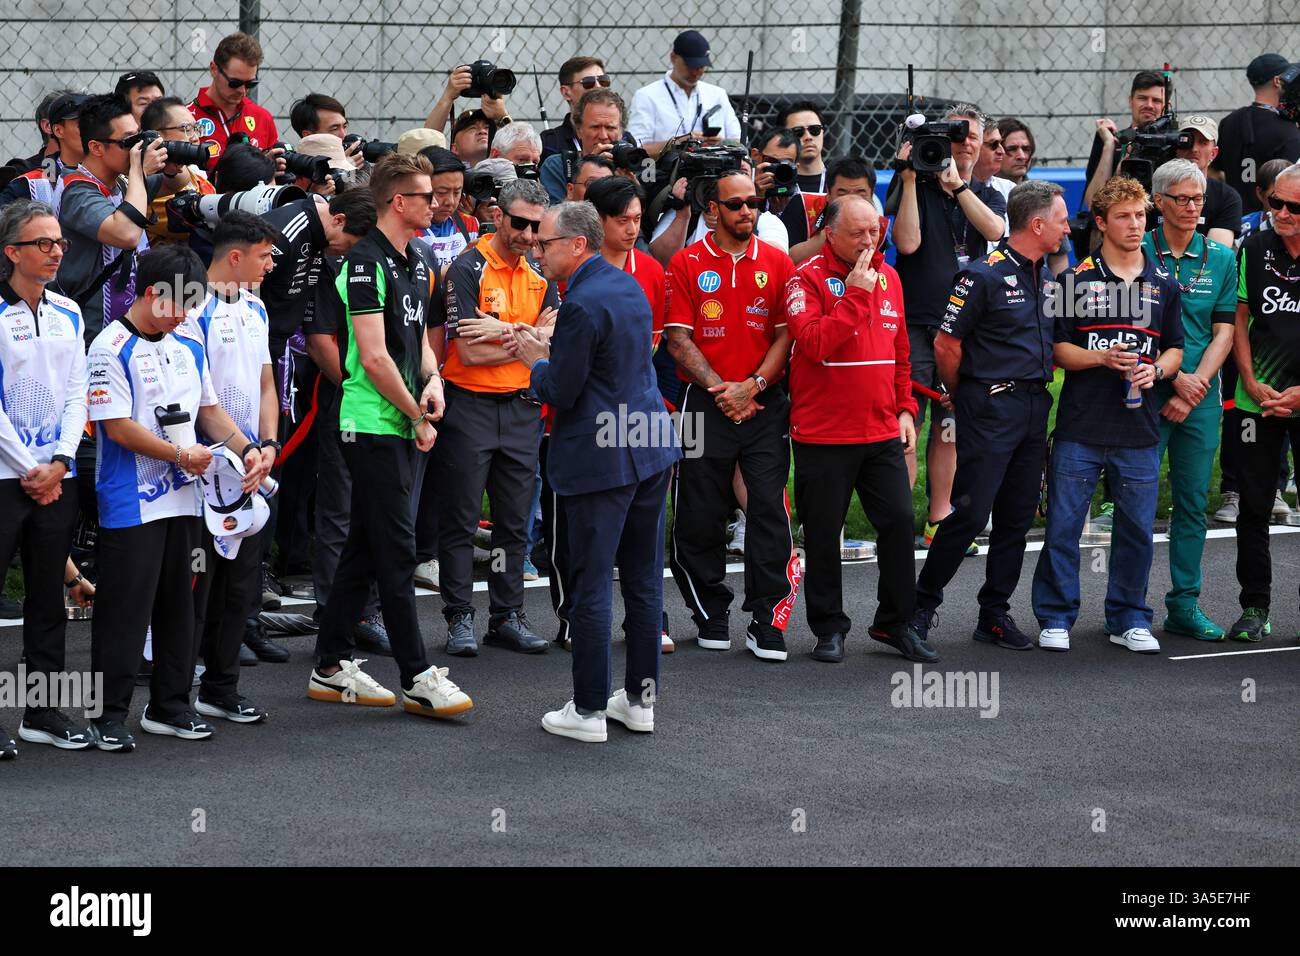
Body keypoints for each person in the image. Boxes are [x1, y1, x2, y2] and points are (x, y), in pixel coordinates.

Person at [506, 201, 679, 742]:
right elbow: (616, 364)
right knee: (645, 581)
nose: (537, 250)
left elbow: (563, 389)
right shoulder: (628, 283)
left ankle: (586, 712)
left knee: (592, 582)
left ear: (576, 245)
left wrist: (536, 358)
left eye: (545, 243)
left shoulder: (579, 303)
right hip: (649, 446)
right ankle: (640, 701)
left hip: (602, 458)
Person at [308, 152, 473, 719]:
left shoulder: (420, 258)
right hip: (369, 423)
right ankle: (417, 675)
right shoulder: (363, 263)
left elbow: (419, 344)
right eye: (428, 195)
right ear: (399, 202)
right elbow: (374, 359)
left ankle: (329, 665)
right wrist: (416, 416)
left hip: (400, 419)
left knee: (363, 546)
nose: (440, 202)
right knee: (398, 549)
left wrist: (433, 383)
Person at [87, 244, 263, 751]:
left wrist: (247, 448)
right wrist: (179, 456)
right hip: (130, 501)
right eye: (179, 305)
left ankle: (170, 706)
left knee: (181, 607)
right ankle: (108, 715)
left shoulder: (187, 341)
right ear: (149, 293)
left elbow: (209, 411)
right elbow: (115, 427)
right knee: (124, 611)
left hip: (188, 499)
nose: (187, 315)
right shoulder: (109, 346)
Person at [910, 180, 1071, 650]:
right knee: (970, 512)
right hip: (989, 403)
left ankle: (994, 613)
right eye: (1061, 220)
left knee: (1018, 517)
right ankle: (921, 607)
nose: (1066, 228)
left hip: (1034, 405)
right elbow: (945, 344)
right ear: (1037, 223)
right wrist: (965, 393)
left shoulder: (1048, 276)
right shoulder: (981, 275)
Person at [1031, 175, 1184, 654]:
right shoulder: (1073, 281)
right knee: (1063, 527)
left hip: (1139, 429)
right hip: (1081, 425)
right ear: (1100, 223)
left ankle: (1129, 617)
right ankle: (1056, 616)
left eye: (1141, 215)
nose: (1136, 224)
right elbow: (1056, 350)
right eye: (1123, 216)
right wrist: (1100, 358)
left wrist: (1155, 371)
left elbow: (1177, 350)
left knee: (1138, 530)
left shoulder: (1163, 284)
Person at [786, 195, 936, 664]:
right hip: (823, 434)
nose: (870, 241)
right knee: (824, 533)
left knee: (898, 523)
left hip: (880, 432)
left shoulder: (890, 277)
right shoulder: (805, 278)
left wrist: (906, 410)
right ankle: (828, 628)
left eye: (875, 231)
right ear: (829, 233)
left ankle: (894, 624)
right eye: (858, 233)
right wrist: (854, 293)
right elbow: (811, 344)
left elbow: (901, 356)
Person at [664, 170, 800, 661]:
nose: (749, 211)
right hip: (704, 403)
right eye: (737, 203)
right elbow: (679, 339)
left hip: (765, 402)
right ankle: (710, 611)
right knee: (699, 512)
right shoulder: (686, 263)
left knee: (767, 507)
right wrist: (722, 389)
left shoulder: (779, 262)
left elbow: (786, 335)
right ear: (713, 211)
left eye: (754, 202)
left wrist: (754, 385)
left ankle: (767, 617)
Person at [436, 178, 558, 656]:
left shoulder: (540, 275)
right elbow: (467, 349)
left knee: (513, 523)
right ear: (499, 215)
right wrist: (525, 339)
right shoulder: (466, 268)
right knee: (462, 518)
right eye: (521, 224)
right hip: (469, 406)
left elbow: (549, 349)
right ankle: (459, 616)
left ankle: (507, 615)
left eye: (537, 227)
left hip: (523, 408)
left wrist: (503, 331)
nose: (530, 236)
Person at [892, 104, 1006, 544]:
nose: (965, 143)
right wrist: (907, 179)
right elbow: (907, 241)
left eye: (972, 136)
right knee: (908, 420)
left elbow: (995, 231)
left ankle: (939, 517)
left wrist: (958, 187)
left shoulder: (985, 192)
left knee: (950, 425)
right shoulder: (913, 185)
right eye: (956, 137)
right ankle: (899, 520)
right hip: (919, 322)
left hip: (965, 325)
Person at [0, 200, 90, 751]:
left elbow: (78, 392)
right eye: (43, 244)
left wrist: (59, 461)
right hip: (8, 477)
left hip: (56, 475)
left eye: (59, 243)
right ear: (12, 252)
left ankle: (42, 711)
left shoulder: (69, 311)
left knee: (46, 601)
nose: (56, 252)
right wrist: (29, 467)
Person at [187, 212, 280, 723]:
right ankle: (177, 689)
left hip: (250, 469)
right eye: (265, 256)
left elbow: (267, 384)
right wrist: (244, 448)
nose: (271, 265)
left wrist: (267, 444)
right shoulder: (191, 308)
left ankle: (221, 688)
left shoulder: (255, 307)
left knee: (240, 588)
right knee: (199, 584)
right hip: (205, 469)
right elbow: (202, 401)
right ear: (236, 256)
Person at [1142, 160, 1237, 641]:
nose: (1192, 207)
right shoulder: (1137, 247)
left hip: (1200, 392)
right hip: (1146, 389)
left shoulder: (1220, 256)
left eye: (1198, 199)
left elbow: (1224, 329)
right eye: (1181, 198)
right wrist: (1171, 381)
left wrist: (1195, 382)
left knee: (1192, 503)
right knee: (1135, 501)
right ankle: (1130, 606)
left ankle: (1184, 604)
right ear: (1158, 202)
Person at [1227, 162, 1300, 642]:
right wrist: (1251, 381)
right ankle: (1255, 607)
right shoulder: (1253, 247)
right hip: (1258, 400)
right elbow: (1238, 317)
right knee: (1253, 506)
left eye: (1293, 207)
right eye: (1275, 202)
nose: (1281, 213)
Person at [57, 92, 168, 342]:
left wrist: (172, 147)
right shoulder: (76, 190)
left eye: (139, 136)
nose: (136, 150)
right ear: (96, 147)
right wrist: (139, 171)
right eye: (129, 142)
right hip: (92, 331)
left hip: (128, 326)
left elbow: (177, 180)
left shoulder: (121, 181)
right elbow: (127, 234)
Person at [627, 30, 740, 156]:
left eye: (701, 66)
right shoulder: (647, 96)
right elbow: (636, 150)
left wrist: (721, 144)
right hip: (665, 173)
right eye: (690, 65)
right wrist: (677, 143)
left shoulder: (717, 94)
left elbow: (738, 141)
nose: (696, 72)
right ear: (673, 58)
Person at [1213, 55, 1300, 214]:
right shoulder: (1288, 130)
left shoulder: (1229, 121)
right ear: (1277, 81)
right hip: (1272, 221)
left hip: (1233, 218)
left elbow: (1213, 171)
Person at [1083, 69, 1169, 210]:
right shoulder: (1110, 139)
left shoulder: (1172, 144)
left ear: (1167, 106)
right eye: (1142, 98)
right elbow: (1092, 203)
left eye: (1156, 100)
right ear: (1130, 101)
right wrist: (1109, 147)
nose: (1149, 105)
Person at [139, 96, 216, 250]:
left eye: (196, 128)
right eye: (186, 129)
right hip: (173, 271)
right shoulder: (144, 186)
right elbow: (199, 229)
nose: (194, 137)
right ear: (156, 136)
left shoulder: (195, 171)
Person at [188, 32, 279, 158]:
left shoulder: (262, 118)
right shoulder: (186, 118)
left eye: (250, 84)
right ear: (214, 69)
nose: (242, 90)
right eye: (235, 83)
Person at [0, 92, 88, 213]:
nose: (93, 131)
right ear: (51, 127)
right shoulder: (26, 177)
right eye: (82, 124)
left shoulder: (108, 173)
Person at [540, 89, 630, 204]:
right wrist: (588, 170)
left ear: (621, 132)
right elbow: (555, 218)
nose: (603, 136)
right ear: (578, 130)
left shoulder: (635, 166)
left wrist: (634, 188)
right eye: (595, 127)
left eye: (610, 128)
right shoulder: (559, 166)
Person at [785, 156, 877, 262]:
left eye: (860, 193)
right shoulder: (803, 204)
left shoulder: (874, 221)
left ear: (871, 194)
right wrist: (833, 231)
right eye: (843, 194)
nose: (852, 201)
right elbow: (788, 260)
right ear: (828, 193)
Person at [541, 57, 634, 157]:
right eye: (588, 82)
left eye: (603, 80)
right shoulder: (549, 143)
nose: (598, 86)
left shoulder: (626, 139)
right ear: (566, 92)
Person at [1171, 115, 1241, 247]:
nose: (1194, 149)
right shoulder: (1158, 191)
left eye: (1203, 142)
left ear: (1214, 153)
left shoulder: (1226, 197)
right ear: (1177, 147)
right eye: (1188, 140)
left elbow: (1216, 257)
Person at [412, 146, 479, 271]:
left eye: (457, 192)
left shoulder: (471, 224)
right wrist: (459, 267)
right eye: (442, 192)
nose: (450, 202)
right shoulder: (406, 230)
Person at [778, 102, 829, 195]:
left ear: (823, 132)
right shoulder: (775, 183)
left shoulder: (840, 182)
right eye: (798, 132)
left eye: (815, 129)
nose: (808, 137)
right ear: (782, 138)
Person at [997, 117, 1036, 184]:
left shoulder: (1041, 194)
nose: (1022, 156)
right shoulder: (976, 192)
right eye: (1012, 149)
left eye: (1026, 149)